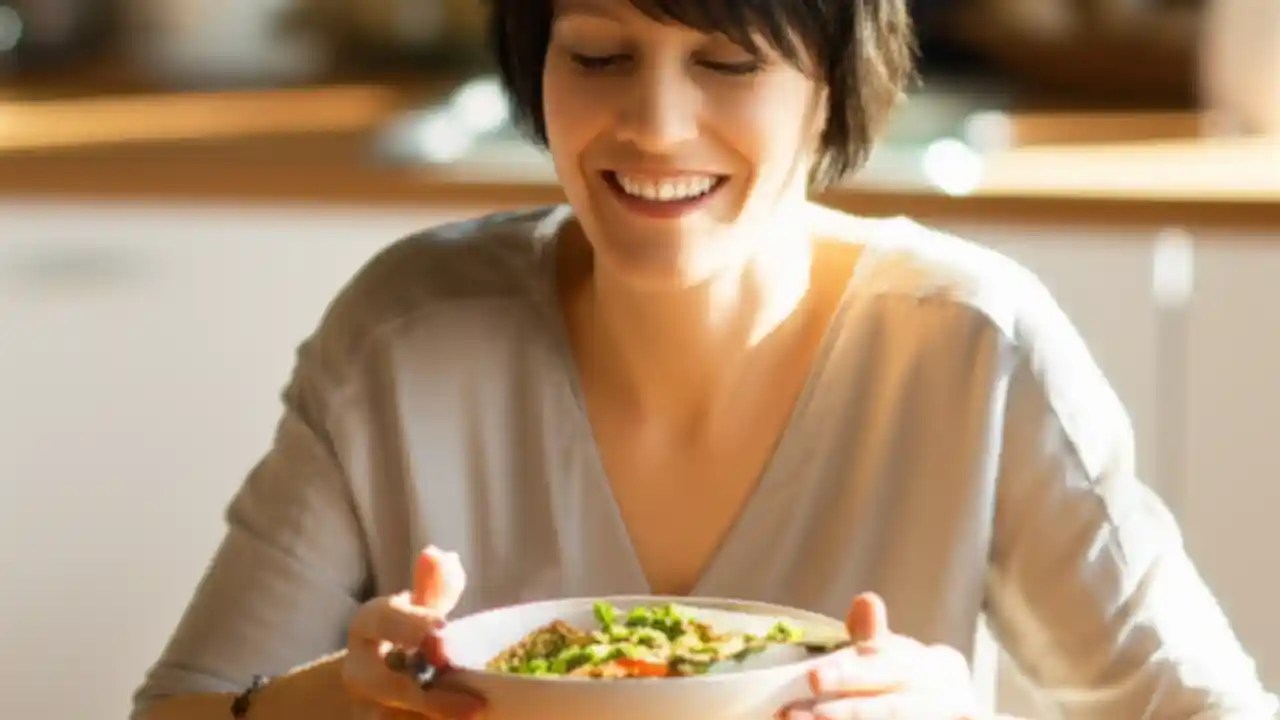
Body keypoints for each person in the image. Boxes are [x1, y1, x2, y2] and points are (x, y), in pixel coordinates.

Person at [132, 0, 1277, 718]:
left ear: (831, 83)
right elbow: (181, 707)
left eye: (727, 62)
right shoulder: (401, 336)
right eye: (598, 53)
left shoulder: (972, 347)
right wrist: (330, 701)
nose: (654, 125)